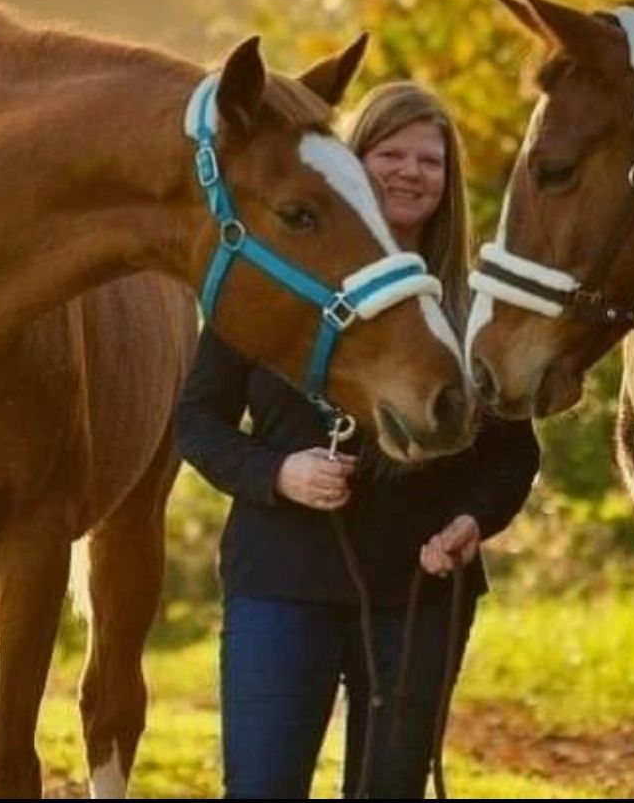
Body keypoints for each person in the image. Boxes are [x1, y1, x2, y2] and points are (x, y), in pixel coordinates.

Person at [177, 81, 540, 799]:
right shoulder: (268, 284)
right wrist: (278, 474)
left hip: (418, 589)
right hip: (281, 582)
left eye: (429, 161)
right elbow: (197, 421)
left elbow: (512, 454)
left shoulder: (468, 306)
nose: (410, 172)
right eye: (390, 154)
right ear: (352, 164)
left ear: (448, 181)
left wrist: (472, 523)